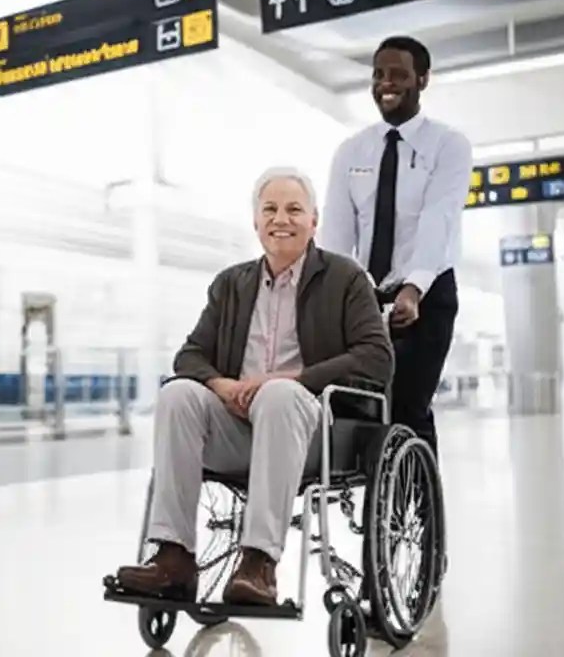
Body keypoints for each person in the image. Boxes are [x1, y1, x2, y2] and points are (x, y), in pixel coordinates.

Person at [114, 167, 394, 607]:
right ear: (256, 222)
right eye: (270, 209)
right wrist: (222, 385)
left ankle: (259, 563)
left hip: (312, 432)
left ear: (314, 221)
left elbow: (377, 358)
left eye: (294, 209)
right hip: (236, 427)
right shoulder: (231, 284)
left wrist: (292, 379)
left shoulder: (346, 278)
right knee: (177, 393)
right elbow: (190, 355)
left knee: (279, 396)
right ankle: (173, 559)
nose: (281, 219)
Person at [318, 35, 472, 456]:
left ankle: (422, 513)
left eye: (399, 75)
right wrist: (331, 295)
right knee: (356, 404)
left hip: (429, 290)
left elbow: (438, 219)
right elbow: (335, 234)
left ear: (422, 80)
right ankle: (375, 501)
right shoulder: (352, 151)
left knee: (407, 404)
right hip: (365, 295)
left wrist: (413, 288)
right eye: (379, 74)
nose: (387, 83)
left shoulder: (448, 145)